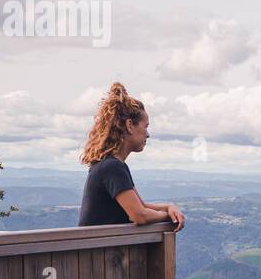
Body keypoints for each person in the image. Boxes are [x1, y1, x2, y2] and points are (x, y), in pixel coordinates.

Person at [77, 82, 186, 231]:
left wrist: (168, 207)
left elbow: (141, 206)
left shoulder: (112, 165)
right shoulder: (112, 167)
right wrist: (169, 216)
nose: (148, 134)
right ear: (129, 125)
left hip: (97, 251)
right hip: (97, 252)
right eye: (145, 126)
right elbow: (139, 215)